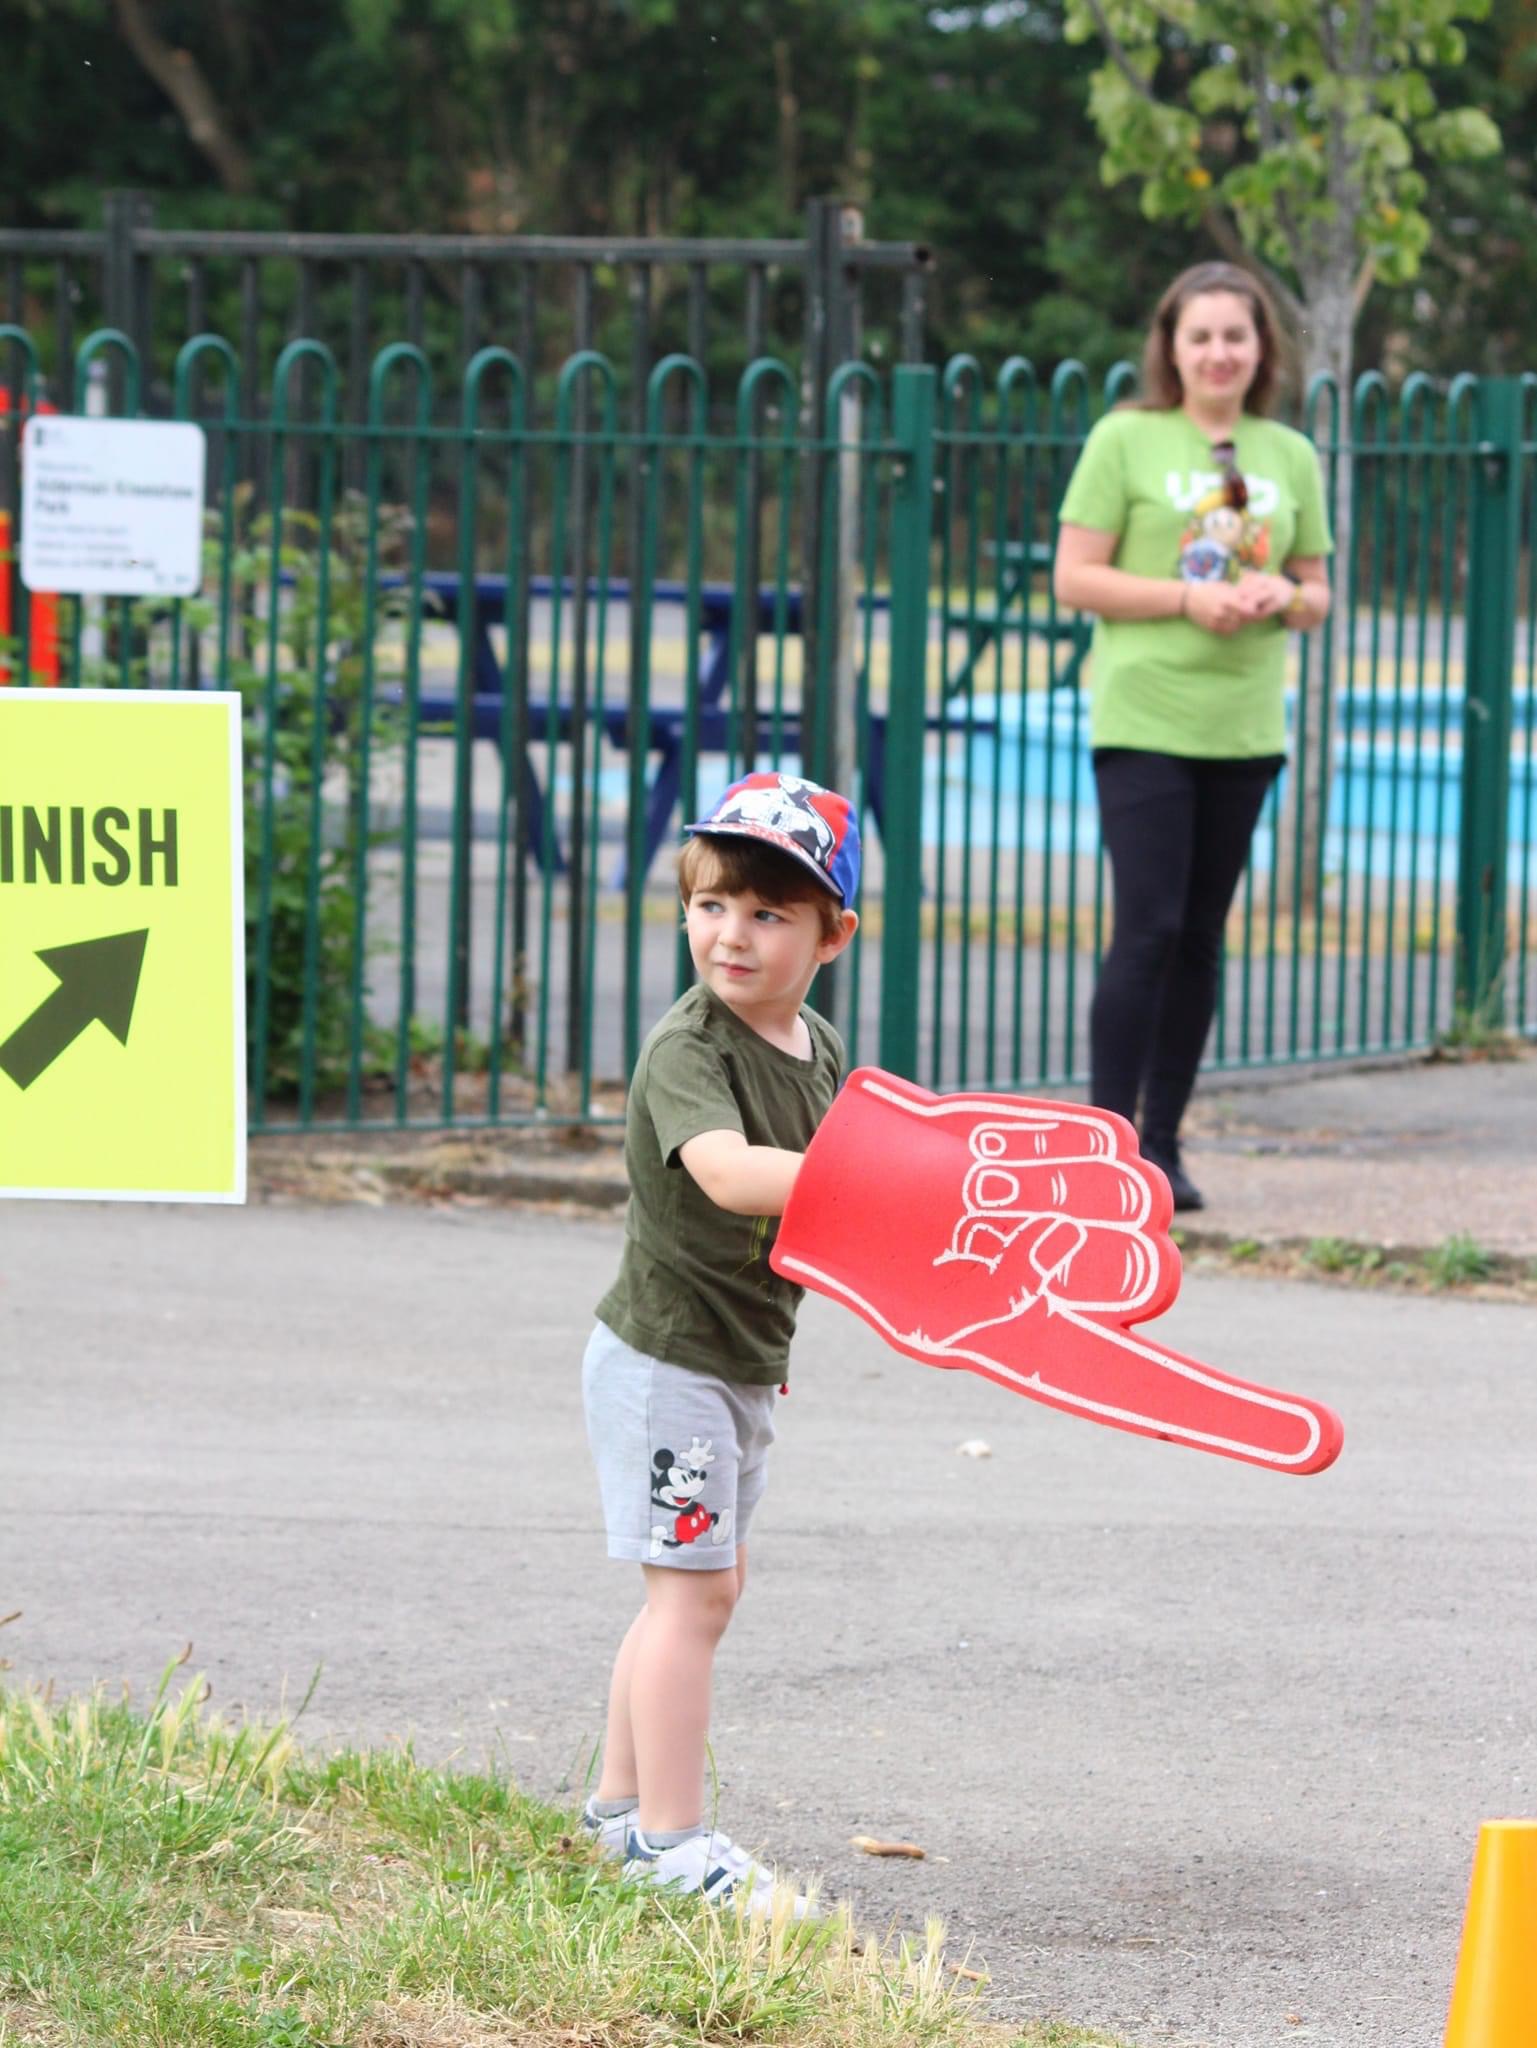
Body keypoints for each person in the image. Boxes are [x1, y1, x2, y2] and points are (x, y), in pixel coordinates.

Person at [578, 769, 859, 1916]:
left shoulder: (815, 1043)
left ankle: (614, 1811)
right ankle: (673, 1839)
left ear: (832, 932)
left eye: (766, 912)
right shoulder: (689, 1048)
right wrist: (872, 1177)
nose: (729, 934)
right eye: (710, 903)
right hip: (667, 1365)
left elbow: (834, 1213)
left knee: (698, 1593)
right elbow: (735, 1174)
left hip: (736, 1363)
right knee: (688, 1598)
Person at [1053, 261, 1332, 1211]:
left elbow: (1318, 591)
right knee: (1148, 930)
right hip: (1146, 719)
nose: (1218, 352)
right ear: (1170, 347)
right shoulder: (1123, 439)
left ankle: (1163, 1149)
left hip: (1243, 729)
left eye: (1235, 336)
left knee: (1200, 940)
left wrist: (1280, 595)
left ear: (1261, 349)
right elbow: (1075, 578)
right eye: (1200, 335)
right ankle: (1104, 1154)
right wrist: (1185, 595)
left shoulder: (1288, 452)